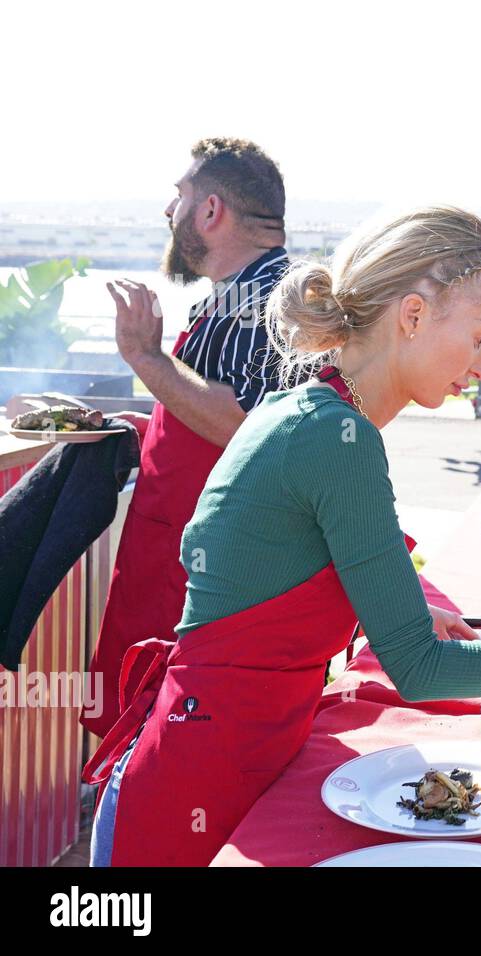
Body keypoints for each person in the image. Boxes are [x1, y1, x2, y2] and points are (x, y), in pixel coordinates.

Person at [83, 205, 481, 866]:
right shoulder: (338, 438)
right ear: (412, 316)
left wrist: (397, 608)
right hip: (189, 798)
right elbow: (419, 671)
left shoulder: (309, 412)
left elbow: (270, 580)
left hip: (222, 762)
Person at [83, 137, 293, 738]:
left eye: (179, 197)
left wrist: (145, 358)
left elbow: (246, 424)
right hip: (175, 571)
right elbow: (209, 421)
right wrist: (149, 431)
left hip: (203, 592)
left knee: (173, 760)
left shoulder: (270, 298)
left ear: (210, 212)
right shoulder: (234, 295)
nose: (168, 213)